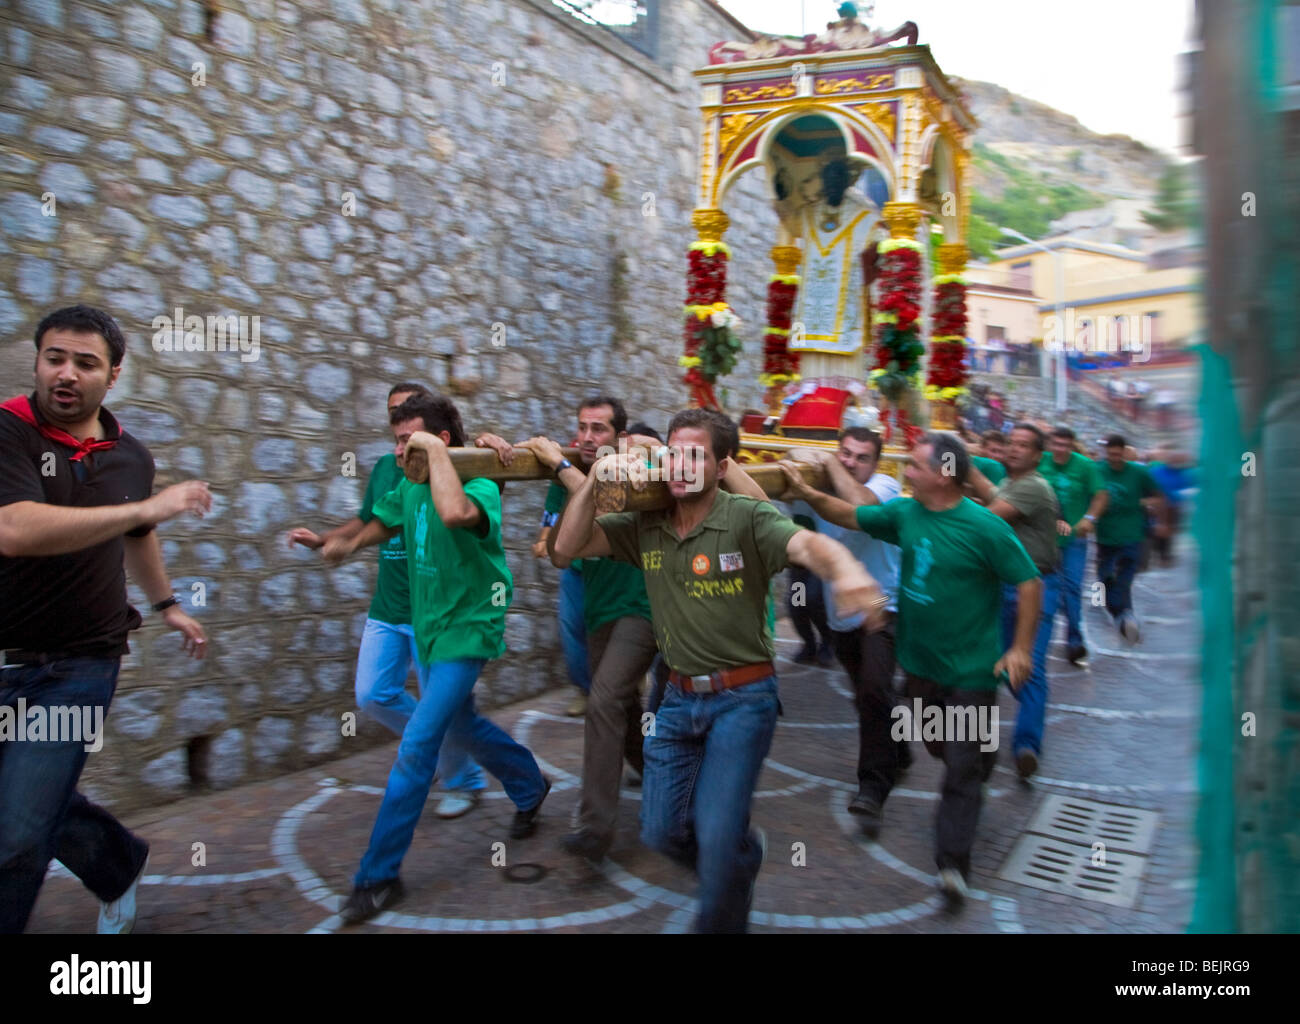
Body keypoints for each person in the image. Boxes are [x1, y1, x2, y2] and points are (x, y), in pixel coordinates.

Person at [554, 408, 888, 933]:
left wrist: (847, 569)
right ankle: (737, 862)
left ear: (721, 464)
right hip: (678, 701)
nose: (680, 465)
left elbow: (808, 544)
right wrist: (596, 477)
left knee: (713, 833)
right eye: (673, 452)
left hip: (743, 699)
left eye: (696, 455)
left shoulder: (744, 516)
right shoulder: (645, 524)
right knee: (661, 831)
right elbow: (566, 548)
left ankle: (722, 895)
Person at [1, 304, 210, 935]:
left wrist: (167, 605)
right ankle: (118, 866)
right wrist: (145, 507)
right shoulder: (8, 432)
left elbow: (137, 533)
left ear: (111, 375)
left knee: (14, 836)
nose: (66, 373)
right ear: (38, 361)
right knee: (29, 806)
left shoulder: (130, 458)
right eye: (54, 358)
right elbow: (14, 528)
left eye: (85, 363)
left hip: (80, 664)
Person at [781, 432, 1040, 908]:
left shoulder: (985, 527)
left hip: (972, 671)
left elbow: (1028, 581)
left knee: (960, 768)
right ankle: (981, 755)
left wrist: (1020, 648)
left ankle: (952, 867)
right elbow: (848, 513)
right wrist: (804, 489)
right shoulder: (904, 513)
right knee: (939, 745)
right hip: (920, 666)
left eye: (915, 466)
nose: (907, 473)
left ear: (944, 473)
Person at [321, 393, 549, 925]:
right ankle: (530, 784)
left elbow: (453, 513)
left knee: (418, 746)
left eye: (410, 440)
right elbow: (387, 520)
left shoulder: (479, 484)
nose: (399, 452)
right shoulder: (409, 481)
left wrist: (436, 452)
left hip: (468, 629)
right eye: (396, 440)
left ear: (441, 441)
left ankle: (377, 878)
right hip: (428, 626)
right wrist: (347, 545)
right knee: (462, 724)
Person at [286, 383, 487, 819]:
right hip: (387, 606)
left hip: (431, 609)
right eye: (394, 421)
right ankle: (430, 747)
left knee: (444, 708)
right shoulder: (384, 468)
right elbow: (368, 521)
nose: (400, 441)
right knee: (373, 693)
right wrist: (327, 540)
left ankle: (463, 779)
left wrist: (496, 446)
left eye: (406, 423)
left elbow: (476, 506)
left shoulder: (459, 468)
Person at [516, 403, 658, 863]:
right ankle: (665, 781)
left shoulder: (634, 471)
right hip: (600, 612)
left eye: (598, 428)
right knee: (621, 708)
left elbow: (607, 505)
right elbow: (556, 542)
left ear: (618, 437)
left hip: (642, 608)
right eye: (580, 427)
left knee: (602, 700)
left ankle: (595, 827)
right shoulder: (570, 478)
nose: (586, 435)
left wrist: (558, 465)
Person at [779, 428, 908, 836]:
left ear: (876, 463)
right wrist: (797, 468)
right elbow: (772, 507)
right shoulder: (819, 482)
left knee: (873, 687)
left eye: (861, 457)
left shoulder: (885, 486)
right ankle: (898, 748)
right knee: (867, 694)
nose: (852, 461)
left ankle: (872, 787)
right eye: (845, 453)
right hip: (842, 613)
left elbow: (858, 503)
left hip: (881, 604)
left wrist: (830, 464)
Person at [971, 423, 1060, 780]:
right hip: (1006, 586)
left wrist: (948, 507)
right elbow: (992, 494)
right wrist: (963, 466)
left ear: (1038, 456)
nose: (1014, 449)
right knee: (1009, 668)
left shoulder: (1034, 487)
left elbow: (990, 517)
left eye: (1024, 446)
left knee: (1030, 666)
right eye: (1011, 443)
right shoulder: (1012, 484)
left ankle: (1026, 746)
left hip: (1035, 586)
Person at [1037, 425, 1108, 665]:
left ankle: (1075, 641)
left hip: (1074, 539)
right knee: (1043, 590)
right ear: (1049, 444)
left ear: (1072, 445)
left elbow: (1101, 494)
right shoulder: (1040, 461)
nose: (1060, 449)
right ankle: (1037, 641)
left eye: (1065, 445)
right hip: (1043, 539)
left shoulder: (1085, 466)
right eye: (1056, 444)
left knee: (1073, 588)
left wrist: (1089, 519)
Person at [1094, 434, 1168, 643]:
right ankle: (1122, 613)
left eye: (1118, 454)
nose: (1115, 458)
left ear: (1125, 452)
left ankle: (1125, 616)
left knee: (1125, 575)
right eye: (1111, 455)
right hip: (1105, 535)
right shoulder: (1097, 469)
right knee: (1105, 576)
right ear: (1106, 452)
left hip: (1131, 534)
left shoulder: (1138, 472)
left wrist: (1149, 508)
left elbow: (1158, 496)